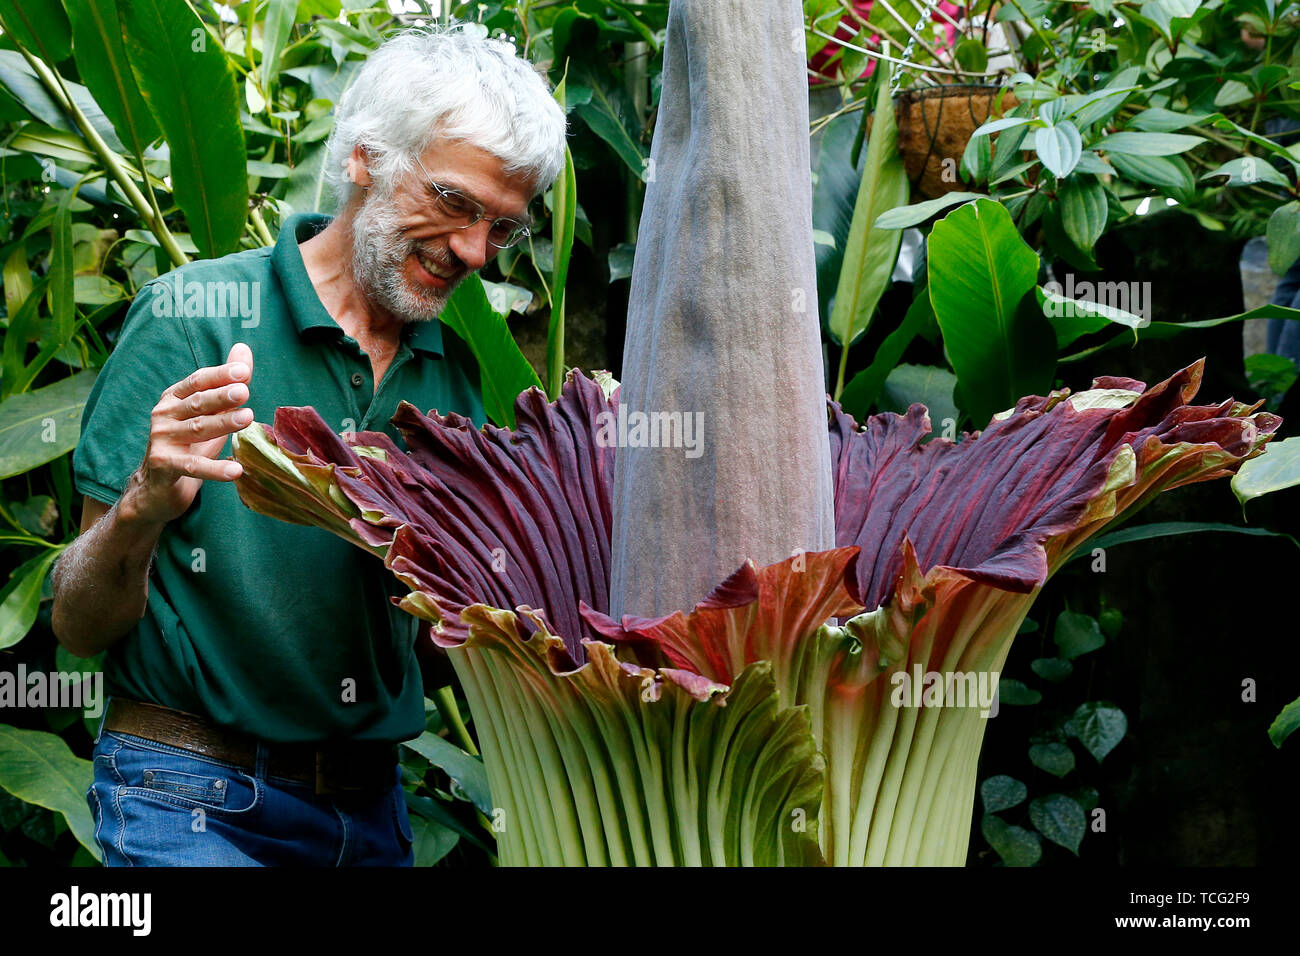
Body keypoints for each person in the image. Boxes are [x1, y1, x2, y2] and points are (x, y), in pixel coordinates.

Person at [49, 24, 567, 866]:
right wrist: (142, 507)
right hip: (188, 797)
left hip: (370, 815)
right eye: (453, 202)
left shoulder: (455, 384)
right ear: (365, 157)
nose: (475, 251)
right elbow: (77, 623)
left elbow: (444, 651)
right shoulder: (192, 319)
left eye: (502, 229)